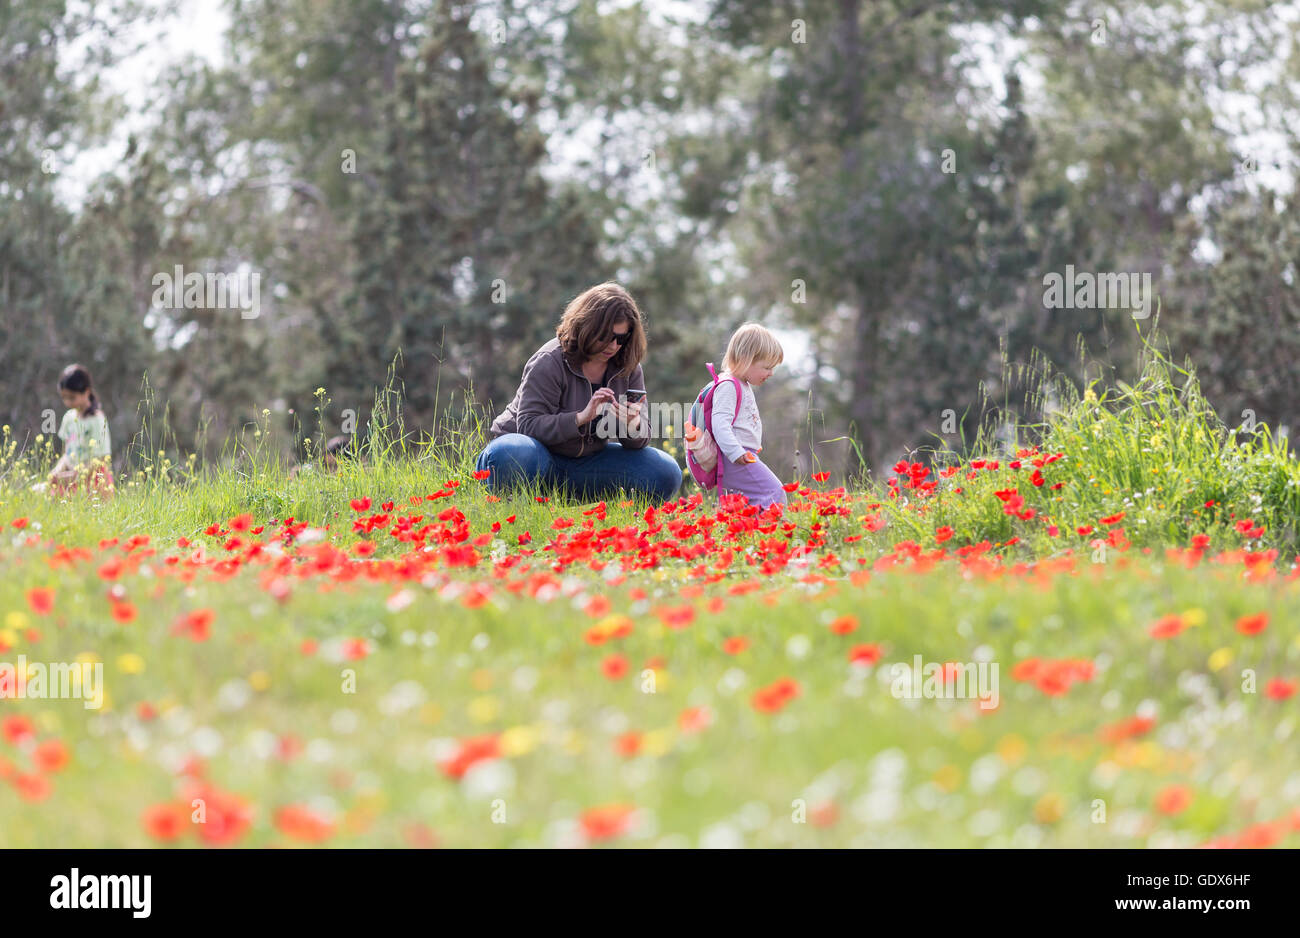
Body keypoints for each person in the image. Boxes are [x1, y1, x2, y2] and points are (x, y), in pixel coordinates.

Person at [477, 282, 682, 503]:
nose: (613, 345)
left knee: (665, 471)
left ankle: (566, 499)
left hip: (585, 465)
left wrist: (633, 424)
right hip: (534, 456)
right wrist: (580, 418)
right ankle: (516, 500)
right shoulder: (549, 360)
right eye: (606, 336)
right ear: (587, 326)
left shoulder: (629, 367)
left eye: (622, 338)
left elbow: (638, 443)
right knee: (513, 454)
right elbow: (528, 425)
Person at [710, 323, 786, 510]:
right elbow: (720, 424)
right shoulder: (728, 385)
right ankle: (767, 533)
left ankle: (748, 534)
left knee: (745, 505)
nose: (771, 373)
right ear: (746, 359)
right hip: (734, 457)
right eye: (767, 367)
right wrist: (736, 452)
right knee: (774, 493)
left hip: (740, 456)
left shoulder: (742, 384)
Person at [47, 364, 114, 498]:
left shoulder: (97, 420)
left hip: (94, 479)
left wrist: (75, 476)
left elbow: (101, 459)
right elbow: (67, 454)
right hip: (71, 478)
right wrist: (57, 471)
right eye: (64, 397)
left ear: (87, 392)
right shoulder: (69, 418)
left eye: (72, 397)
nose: (67, 402)